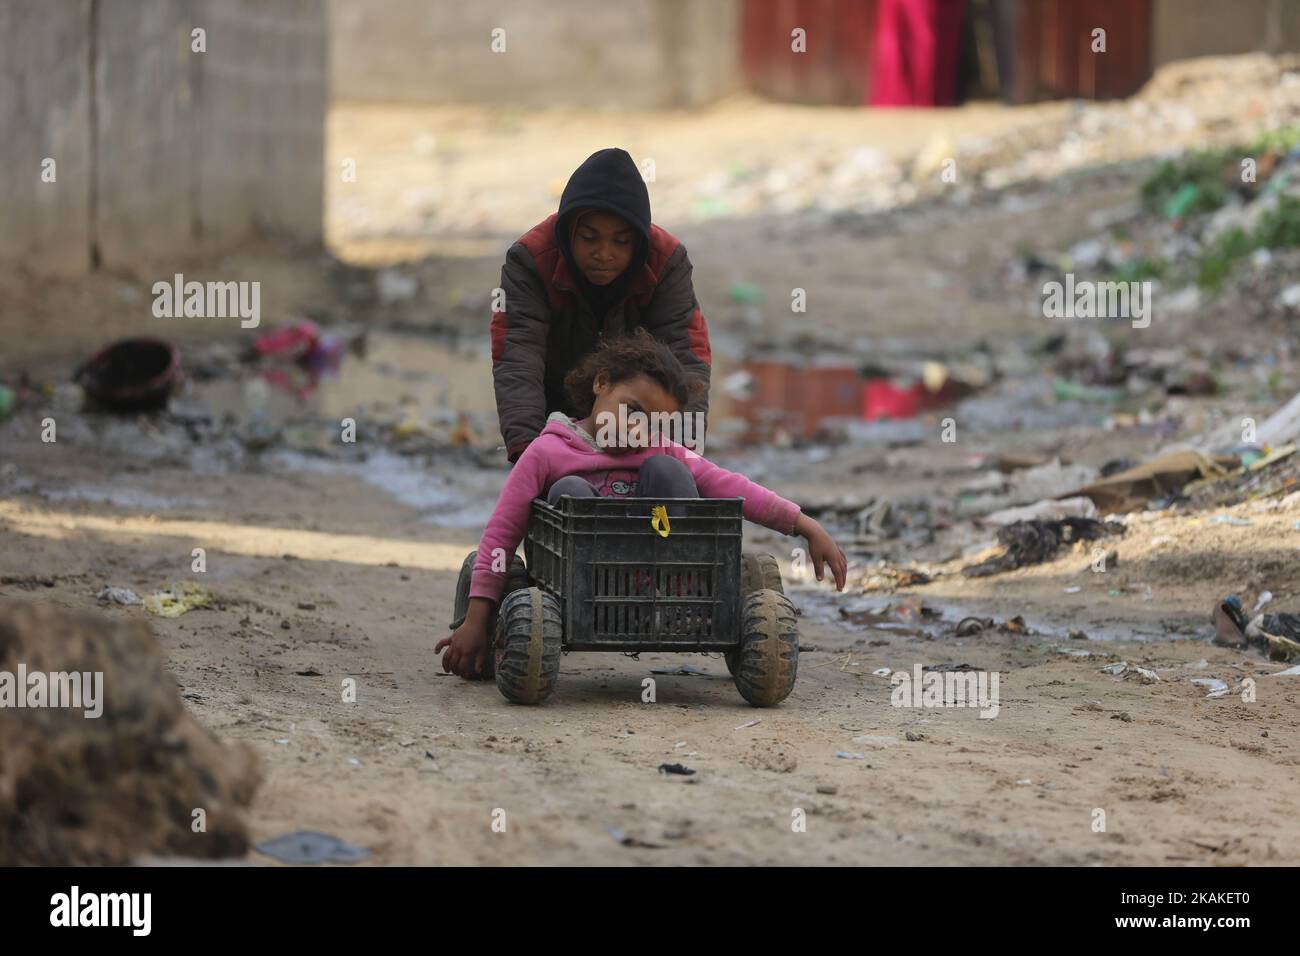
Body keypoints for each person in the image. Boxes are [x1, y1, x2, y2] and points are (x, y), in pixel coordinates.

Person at [436, 331, 847, 679]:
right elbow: (502, 533)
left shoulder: (659, 449)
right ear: (601, 383)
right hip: (579, 585)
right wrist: (476, 622)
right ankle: (597, 597)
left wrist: (805, 525)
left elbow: (731, 486)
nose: (637, 428)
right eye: (632, 410)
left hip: (658, 572)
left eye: (654, 422)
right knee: (574, 491)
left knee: (668, 471)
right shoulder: (547, 452)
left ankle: (680, 601)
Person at [491, 147, 711, 463]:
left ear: (639, 241)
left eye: (621, 242)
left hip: (637, 411)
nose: (604, 254)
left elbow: (686, 358)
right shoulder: (530, 258)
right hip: (552, 402)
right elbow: (518, 354)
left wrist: (683, 455)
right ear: (568, 232)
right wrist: (529, 451)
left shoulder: (667, 262)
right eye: (589, 238)